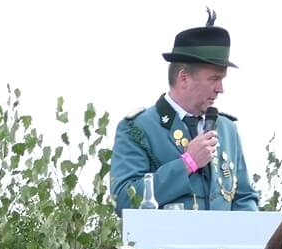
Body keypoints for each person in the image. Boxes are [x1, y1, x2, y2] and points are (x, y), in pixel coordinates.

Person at [110, 12, 259, 214]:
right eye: (213, 79)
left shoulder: (227, 129)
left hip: (224, 236)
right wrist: (187, 163)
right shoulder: (138, 128)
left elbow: (244, 198)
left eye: (222, 80)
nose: (220, 89)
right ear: (184, 77)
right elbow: (125, 200)